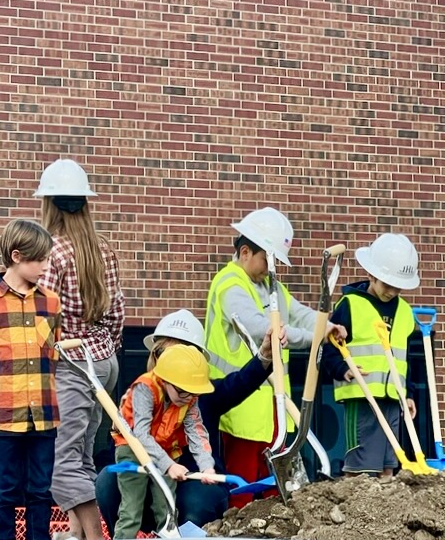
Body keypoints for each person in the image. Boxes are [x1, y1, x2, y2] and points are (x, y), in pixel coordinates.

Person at [204, 207, 346, 507]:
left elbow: (299, 313)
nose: (272, 267)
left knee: (276, 491)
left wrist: (327, 326)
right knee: (243, 492)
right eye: (267, 259)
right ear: (245, 252)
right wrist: (314, 337)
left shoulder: (271, 286)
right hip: (239, 404)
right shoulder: (229, 285)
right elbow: (263, 330)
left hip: (274, 405)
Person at [95, 310, 285, 532]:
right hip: (145, 488)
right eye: (165, 355)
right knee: (108, 480)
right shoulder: (141, 394)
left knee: (195, 503)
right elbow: (118, 450)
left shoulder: (203, 397)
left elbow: (241, 382)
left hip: (194, 487)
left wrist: (265, 355)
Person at [35, 159, 125, 540]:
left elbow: (42, 318)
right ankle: (76, 533)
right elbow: (118, 312)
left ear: (50, 204)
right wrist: (104, 348)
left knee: (60, 463)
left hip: (72, 363)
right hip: (104, 361)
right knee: (82, 455)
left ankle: (92, 536)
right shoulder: (103, 249)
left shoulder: (50, 252)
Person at [0, 218, 62, 540]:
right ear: (17, 256)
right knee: (3, 492)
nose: (46, 266)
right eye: (40, 259)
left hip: (44, 414)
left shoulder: (51, 301)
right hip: (2, 413)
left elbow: (55, 355)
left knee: (41, 492)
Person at [320, 233, 420, 477]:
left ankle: (388, 497)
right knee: (361, 467)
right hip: (361, 395)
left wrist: (409, 393)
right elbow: (329, 348)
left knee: (389, 465)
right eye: (387, 284)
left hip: (393, 398)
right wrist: (343, 369)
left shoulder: (405, 312)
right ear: (371, 275)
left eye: (398, 286)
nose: (392, 291)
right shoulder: (351, 305)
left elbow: (405, 360)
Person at [112, 344, 216, 539]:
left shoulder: (189, 397)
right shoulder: (145, 388)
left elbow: (197, 432)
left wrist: (206, 466)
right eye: (183, 391)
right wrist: (169, 466)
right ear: (167, 380)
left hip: (166, 450)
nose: (188, 398)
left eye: (193, 393)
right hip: (132, 450)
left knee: (167, 509)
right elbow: (141, 434)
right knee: (131, 511)